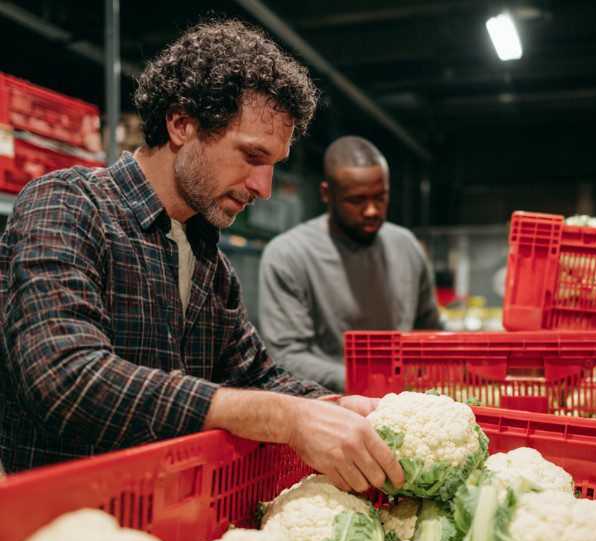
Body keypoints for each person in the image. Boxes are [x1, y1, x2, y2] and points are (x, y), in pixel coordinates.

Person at [0, 20, 403, 494]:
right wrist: (283, 418)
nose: (263, 188)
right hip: (59, 533)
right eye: (252, 156)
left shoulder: (210, 260)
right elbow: (65, 378)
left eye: (273, 165)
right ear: (182, 124)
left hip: (161, 527)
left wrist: (335, 406)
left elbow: (254, 375)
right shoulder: (67, 205)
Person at [259, 136, 442, 393]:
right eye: (357, 200)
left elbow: (431, 330)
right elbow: (287, 354)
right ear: (327, 194)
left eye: (381, 197)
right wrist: (365, 381)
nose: (371, 210)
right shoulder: (289, 255)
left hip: (403, 400)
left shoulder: (406, 246)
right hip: (328, 404)